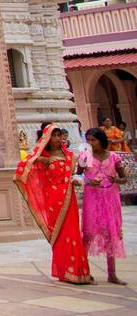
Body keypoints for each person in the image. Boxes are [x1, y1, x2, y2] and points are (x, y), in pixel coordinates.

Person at [14, 122, 92, 285]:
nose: (57, 139)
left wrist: (76, 181)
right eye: (53, 135)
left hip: (69, 198)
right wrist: (39, 159)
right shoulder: (44, 157)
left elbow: (81, 170)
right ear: (47, 138)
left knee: (74, 234)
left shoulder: (69, 156)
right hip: (54, 200)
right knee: (62, 235)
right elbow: (22, 168)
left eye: (58, 135)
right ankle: (66, 271)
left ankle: (79, 271)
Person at [80, 128, 127, 285]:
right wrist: (88, 181)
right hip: (92, 199)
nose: (91, 143)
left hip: (110, 199)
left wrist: (115, 180)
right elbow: (77, 176)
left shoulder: (114, 157)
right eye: (89, 140)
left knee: (110, 233)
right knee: (88, 234)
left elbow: (124, 178)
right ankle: (82, 271)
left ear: (101, 140)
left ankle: (112, 274)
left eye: (94, 140)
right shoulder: (85, 156)